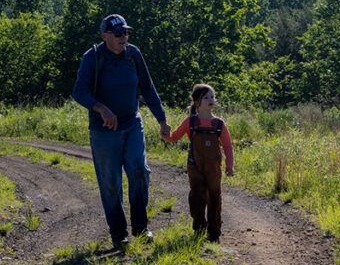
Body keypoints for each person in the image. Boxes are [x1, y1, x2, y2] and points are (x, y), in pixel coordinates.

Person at [72, 14, 170, 247]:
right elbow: (79, 92)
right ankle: (119, 234)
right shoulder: (93, 57)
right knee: (111, 182)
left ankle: (141, 228)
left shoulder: (133, 54)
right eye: (118, 33)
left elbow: (148, 88)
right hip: (103, 131)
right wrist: (100, 108)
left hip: (132, 123)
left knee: (140, 171)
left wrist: (162, 120)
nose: (123, 37)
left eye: (126, 32)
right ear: (104, 35)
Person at [163, 84, 235, 243]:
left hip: (214, 168)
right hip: (195, 166)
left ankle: (214, 233)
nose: (211, 100)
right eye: (206, 97)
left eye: (212, 97)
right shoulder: (190, 122)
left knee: (215, 197)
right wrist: (165, 135)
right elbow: (174, 137)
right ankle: (199, 228)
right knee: (197, 196)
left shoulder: (219, 124)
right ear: (197, 102)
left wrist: (230, 166)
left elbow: (228, 147)